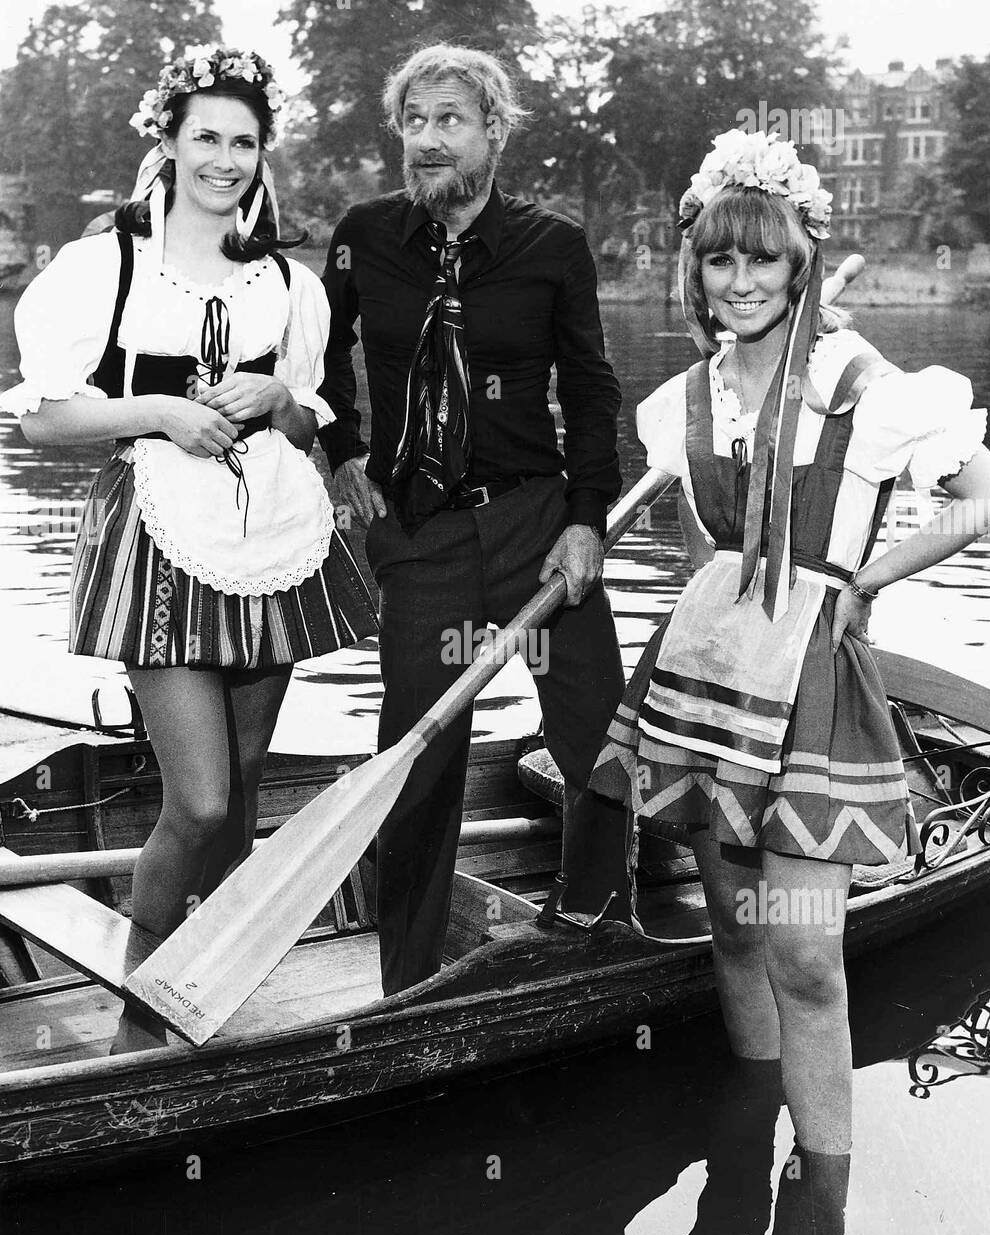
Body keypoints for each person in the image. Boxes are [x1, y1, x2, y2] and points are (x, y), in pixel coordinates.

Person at [590, 129, 990, 1235]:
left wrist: (863, 582)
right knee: (730, 917)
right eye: (721, 261)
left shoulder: (867, 386)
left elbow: (975, 503)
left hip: (813, 686)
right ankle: (750, 1103)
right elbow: (703, 546)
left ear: (806, 260)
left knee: (807, 949)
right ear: (696, 269)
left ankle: (820, 1202)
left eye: (766, 259)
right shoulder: (679, 403)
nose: (743, 281)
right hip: (709, 683)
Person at [0, 46, 377, 1053]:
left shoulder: (289, 289)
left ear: (263, 154)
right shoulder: (105, 266)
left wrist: (280, 401)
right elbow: (41, 422)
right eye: (204, 136)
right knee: (200, 796)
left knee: (246, 782)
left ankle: (213, 983)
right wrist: (163, 408)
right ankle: (141, 1014)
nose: (223, 158)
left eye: (242, 141)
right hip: (161, 540)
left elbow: (309, 426)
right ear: (166, 142)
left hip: (275, 538)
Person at [319, 44, 632, 996]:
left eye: (448, 119)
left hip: (539, 527)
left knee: (598, 739)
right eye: (414, 122)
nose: (426, 140)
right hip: (423, 537)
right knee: (416, 762)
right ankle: (406, 983)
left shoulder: (551, 246)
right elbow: (315, 357)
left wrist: (587, 520)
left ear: (495, 130)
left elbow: (588, 390)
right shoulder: (365, 237)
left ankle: (594, 927)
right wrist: (341, 456)